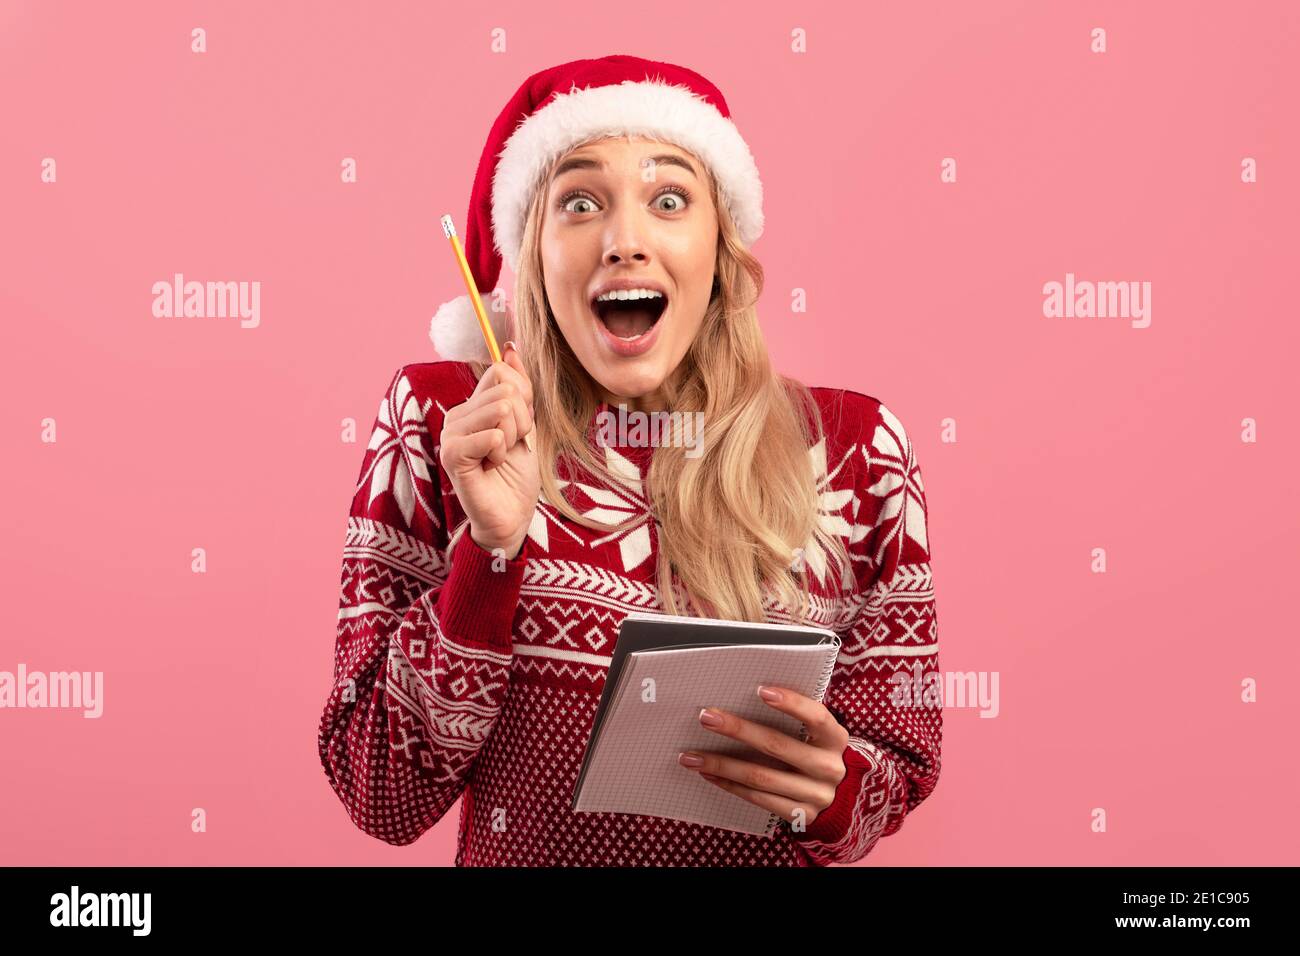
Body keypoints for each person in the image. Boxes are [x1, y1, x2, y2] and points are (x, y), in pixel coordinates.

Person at [317, 55, 941, 866]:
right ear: (531, 253)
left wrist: (835, 793)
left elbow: (897, 764)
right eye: (580, 202)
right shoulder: (446, 421)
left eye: (670, 199)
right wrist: (491, 552)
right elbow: (380, 795)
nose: (625, 242)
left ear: (721, 247)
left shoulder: (858, 448)